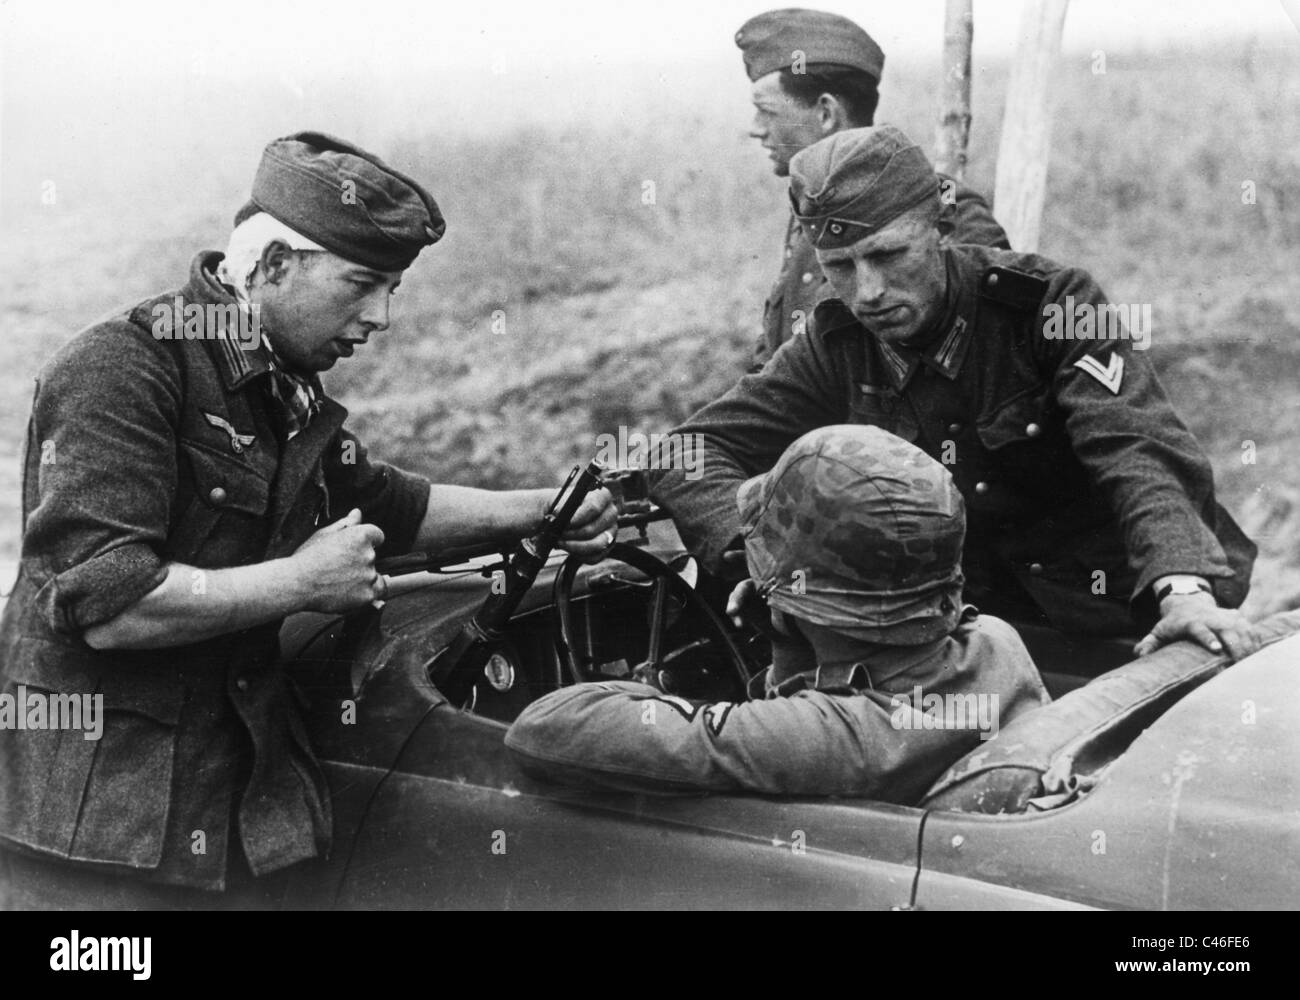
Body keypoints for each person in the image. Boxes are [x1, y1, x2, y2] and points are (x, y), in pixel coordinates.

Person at [0, 131, 617, 910]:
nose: (382, 316)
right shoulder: (122, 370)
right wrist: (301, 582)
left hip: (237, 814)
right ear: (275, 267)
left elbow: (389, 505)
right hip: (99, 838)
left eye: (392, 287)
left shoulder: (279, 385)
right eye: (363, 283)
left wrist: (546, 513)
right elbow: (111, 608)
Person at [650, 125, 1258, 661]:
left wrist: (1183, 588)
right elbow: (688, 452)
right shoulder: (836, 344)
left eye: (889, 256)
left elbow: (1134, 444)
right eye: (839, 266)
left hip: (1117, 617)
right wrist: (762, 553)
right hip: (963, 640)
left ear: (941, 226)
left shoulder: (1050, 304)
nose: (867, 293)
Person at [506, 424, 1049, 800]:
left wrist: (662, 696)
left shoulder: (832, 738)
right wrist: (789, 630)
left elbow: (544, 729)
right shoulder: (997, 643)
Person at [735, 7, 1010, 370]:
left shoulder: (939, 207)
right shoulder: (812, 206)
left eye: (766, 111)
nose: (755, 129)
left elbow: (991, 359)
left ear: (826, 114)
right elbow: (775, 356)